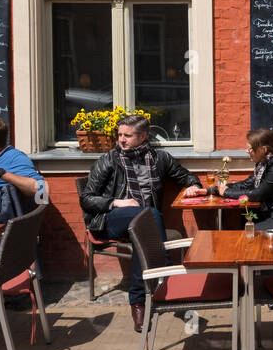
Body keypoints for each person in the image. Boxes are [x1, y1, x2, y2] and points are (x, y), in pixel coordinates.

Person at [80, 114, 205, 333]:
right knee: (148, 215)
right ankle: (164, 271)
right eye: (119, 135)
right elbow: (87, 198)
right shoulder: (109, 159)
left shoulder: (160, 159)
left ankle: (138, 302)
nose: (121, 140)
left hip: (144, 226)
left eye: (127, 135)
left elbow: (186, 176)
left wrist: (193, 185)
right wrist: (116, 202)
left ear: (143, 136)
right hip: (111, 220)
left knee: (142, 232)